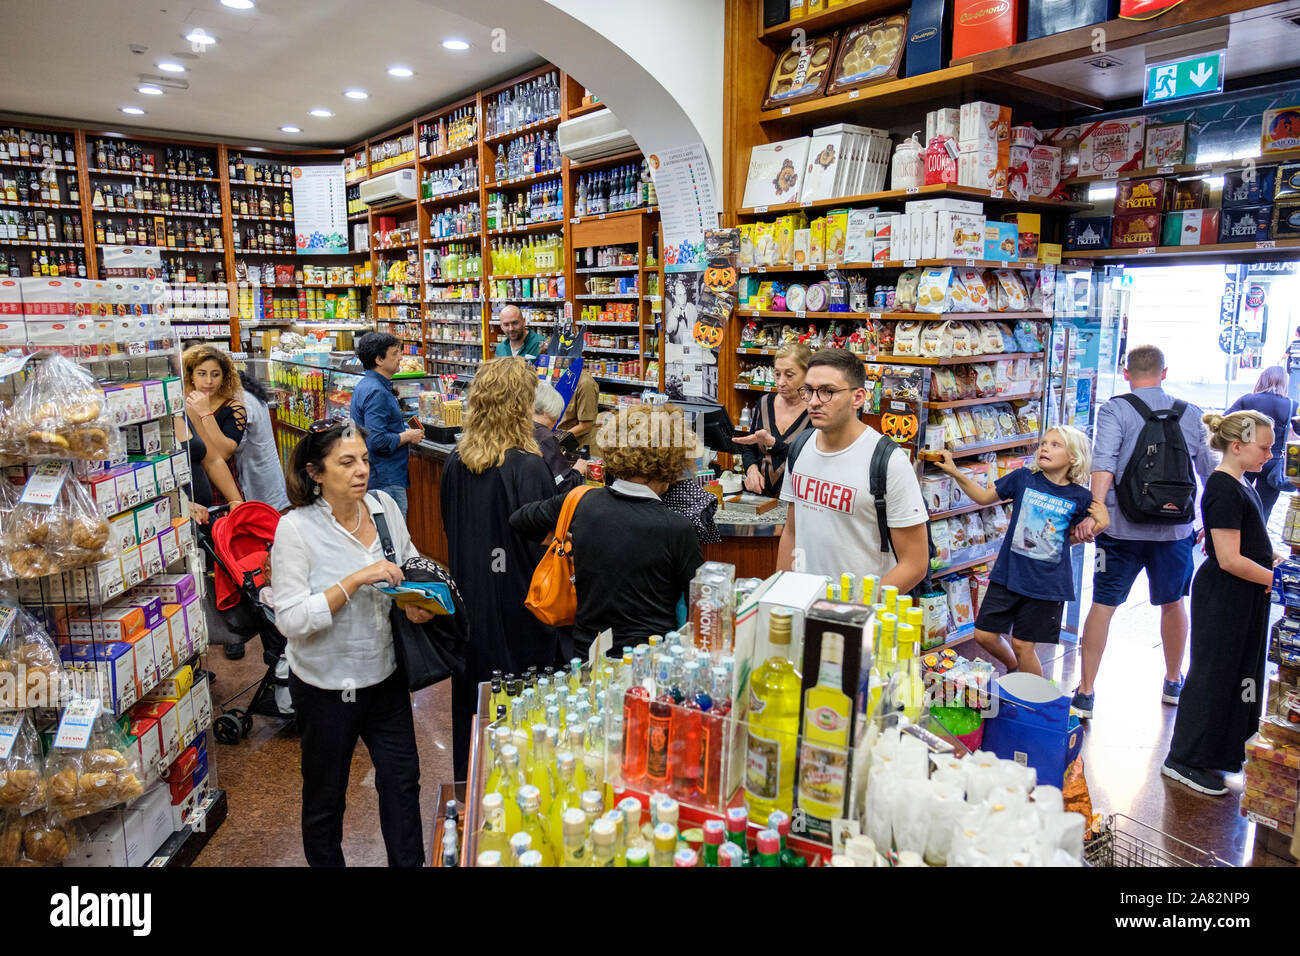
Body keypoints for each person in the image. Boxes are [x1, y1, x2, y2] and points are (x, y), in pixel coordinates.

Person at [270, 418, 433, 867]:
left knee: (402, 785)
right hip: (325, 685)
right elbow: (291, 620)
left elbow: (410, 560)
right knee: (326, 797)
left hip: (385, 675)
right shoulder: (296, 530)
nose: (361, 469)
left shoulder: (383, 509)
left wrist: (418, 599)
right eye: (346, 462)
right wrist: (357, 578)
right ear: (315, 473)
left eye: (363, 459)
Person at [1071, 346, 1215, 719]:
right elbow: (1208, 472)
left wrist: (1097, 511)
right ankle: (1172, 681)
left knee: (1103, 605)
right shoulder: (1192, 412)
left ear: (1126, 372)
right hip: (1176, 531)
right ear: (1165, 372)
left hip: (1120, 529)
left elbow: (1102, 463)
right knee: (1173, 603)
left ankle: (1086, 691)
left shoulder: (1116, 409)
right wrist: (1211, 524)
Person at [440, 357, 559, 779]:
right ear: (519, 405)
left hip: (469, 604)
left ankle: (471, 783)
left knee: (475, 708)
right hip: (520, 606)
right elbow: (542, 541)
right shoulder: (528, 465)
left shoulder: (456, 461)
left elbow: (450, 530)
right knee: (521, 709)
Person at [511, 403, 705, 656]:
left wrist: (564, 540)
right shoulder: (677, 528)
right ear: (672, 463)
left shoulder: (582, 502)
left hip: (588, 656)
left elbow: (520, 520)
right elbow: (702, 608)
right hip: (648, 662)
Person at [1162, 410, 1278, 796]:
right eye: (1264, 447)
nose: (1269, 454)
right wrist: (1277, 580)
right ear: (1238, 445)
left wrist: (1275, 563)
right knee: (1213, 674)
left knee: (1234, 674)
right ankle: (1183, 759)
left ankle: (1216, 753)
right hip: (1226, 595)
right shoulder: (1224, 487)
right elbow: (1229, 558)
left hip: (1243, 595)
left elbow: (1249, 546)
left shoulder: (1240, 484)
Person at [933, 427, 1108, 675]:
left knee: (1023, 645)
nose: (1045, 447)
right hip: (1008, 575)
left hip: (1046, 585)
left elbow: (1083, 533)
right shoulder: (1023, 478)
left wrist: (1102, 522)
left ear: (1074, 458)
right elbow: (983, 497)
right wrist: (953, 471)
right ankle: (1014, 669)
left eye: (1056, 445)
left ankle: (1034, 703)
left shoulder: (1081, 497)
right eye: (1044, 443)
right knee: (984, 634)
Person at [777, 348, 929, 589]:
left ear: (858, 397)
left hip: (861, 617)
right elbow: (792, 532)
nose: (815, 401)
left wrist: (856, 610)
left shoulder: (889, 461)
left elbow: (915, 564)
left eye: (828, 391)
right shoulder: (800, 447)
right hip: (804, 605)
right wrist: (783, 592)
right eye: (809, 391)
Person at [349, 332, 426, 519]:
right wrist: (408, 436)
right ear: (379, 359)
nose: (400, 357)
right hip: (385, 479)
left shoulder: (367, 384)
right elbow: (376, 440)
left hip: (378, 474)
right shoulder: (377, 391)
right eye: (395, 353)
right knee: (392, 535)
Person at [733, 342, 812, 497]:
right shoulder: (764, 403)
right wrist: (752, 470)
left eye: (789, 375)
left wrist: (772, 444)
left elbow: (809, 461)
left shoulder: (816, 411)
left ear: (807, 374)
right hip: (760, 500)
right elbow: (750, 448)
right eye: (777, 374)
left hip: (797, 504)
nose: (781, 382)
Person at [1226, 366, 1296, 523]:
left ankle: (1232, 535)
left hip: (1246, 458)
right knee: (1263, 510)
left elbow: (1225, 421)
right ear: (1285, 383)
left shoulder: (1248, 400)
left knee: (1235, 501)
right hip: (1273, 461)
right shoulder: (1292, 405)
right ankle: (1255, 543)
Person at [182, 344, 246, 486]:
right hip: (192, 487)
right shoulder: (182, 406)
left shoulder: (233, 408)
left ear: (224, 377)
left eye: (215, 374)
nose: (209, 381)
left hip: (222, 489)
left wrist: (205, 413)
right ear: (191, 375)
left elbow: (224, 453)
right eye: (202, 373)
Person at [234, 370, 290, 512]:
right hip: (268, 477)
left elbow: (235, 445)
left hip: (258, 479)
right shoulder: (252, 395)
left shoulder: (242, 400)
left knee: (267, 522)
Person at [533, 380, 587, 493]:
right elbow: (564, 483)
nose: (555, 423)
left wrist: (556, 457)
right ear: (546, 412)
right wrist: (577, 470)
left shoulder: (521, 427)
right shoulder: (546, 437)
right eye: (555, 418)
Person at [557, 369, 598, 444]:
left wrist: (555, 440)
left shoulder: (585, 384)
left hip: (574, 445)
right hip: (556, 439)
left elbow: (585, 426)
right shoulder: (558, 376)